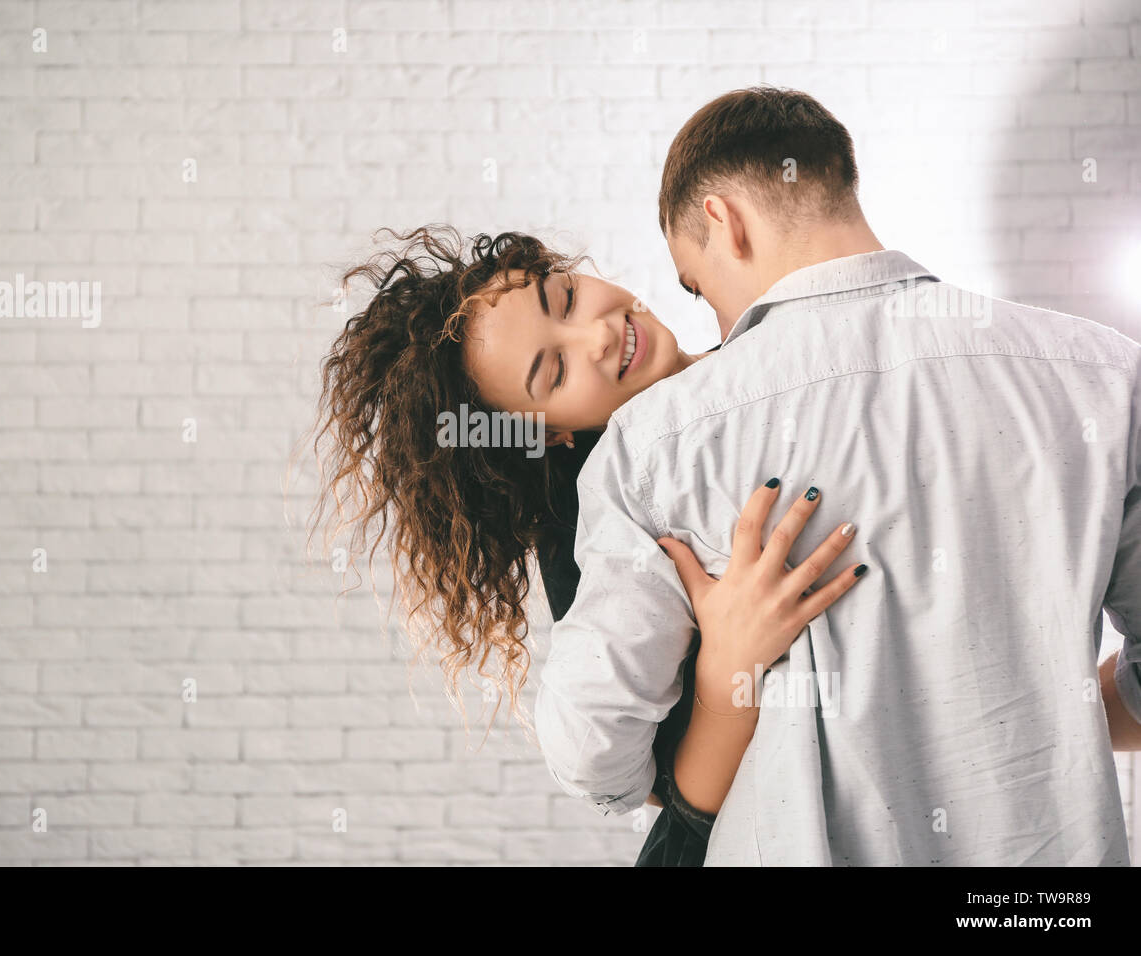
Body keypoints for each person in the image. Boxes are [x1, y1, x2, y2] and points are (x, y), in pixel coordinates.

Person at [536, 85, 1141, 865]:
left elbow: (592, 749)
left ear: (725, 221)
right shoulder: (1105, 375)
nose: (718, 331)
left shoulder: (655, 445)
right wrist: (1029, 724)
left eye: (697, 286)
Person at [307, 223, 865, 865]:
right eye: (555, 371)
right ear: (548, 436)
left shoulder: (764, 346)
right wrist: (727, 666)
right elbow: (622, 777)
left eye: (564, 298)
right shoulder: (602, 523)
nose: (599, 335)